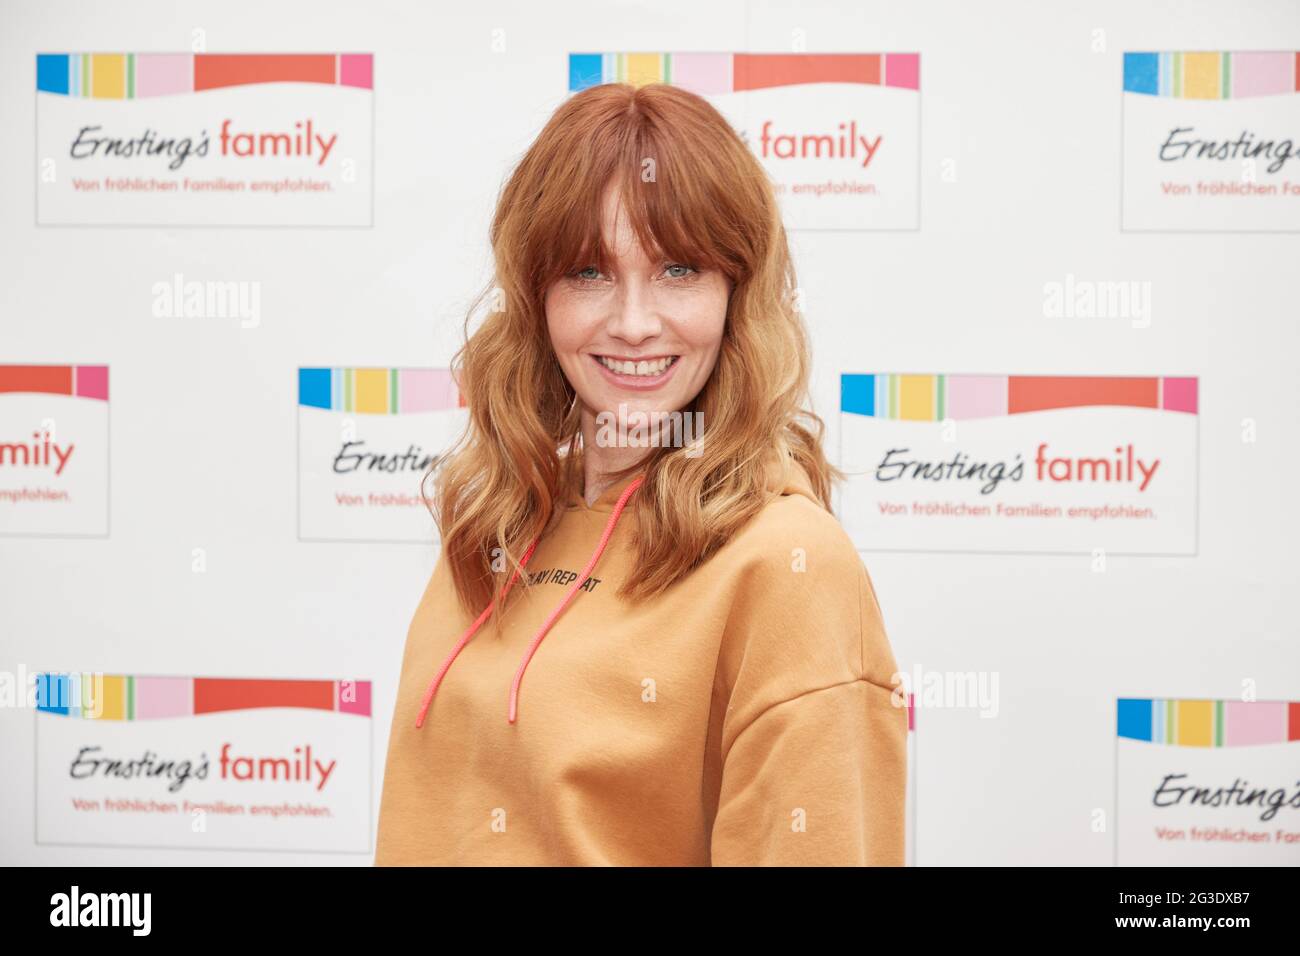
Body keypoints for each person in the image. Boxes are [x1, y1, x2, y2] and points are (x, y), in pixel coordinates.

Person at [374, 81, 906, 866]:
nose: (632, 322)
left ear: (737, 292)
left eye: (679, 269)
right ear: (536, 295)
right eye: (588, 271)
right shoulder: (503, 515)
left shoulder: (788, 564)